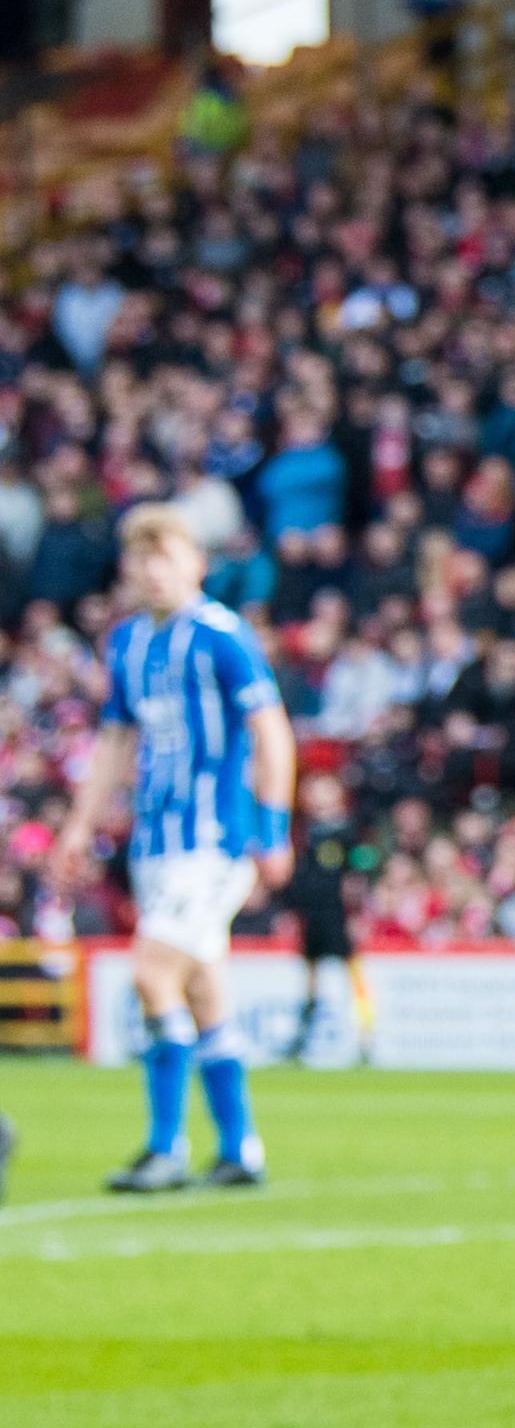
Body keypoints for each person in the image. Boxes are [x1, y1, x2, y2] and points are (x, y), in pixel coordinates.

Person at [52, 506, 296, 1192]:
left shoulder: (223, 636)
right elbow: (114, 744)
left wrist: (271, 830)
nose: (152, 570)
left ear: (197, 562)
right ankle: (239, 1149)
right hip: (155, 844)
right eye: (141, 559)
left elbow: (272, 732)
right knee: (202, 989)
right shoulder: (128, 643)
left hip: (215, 841)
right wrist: (79, 826)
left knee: (151, 973)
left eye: (165, 556)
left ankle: (166, 1146)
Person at [282, 769, 373, 1065]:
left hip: (338, 914)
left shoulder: (347, 830)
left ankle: (365, 1036)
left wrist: (358, 910)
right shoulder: (304, 831)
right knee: (310, 979)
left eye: (321, 789)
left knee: (352, 973)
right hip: (312, 916)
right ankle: (302, 1039)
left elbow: (362, 865)